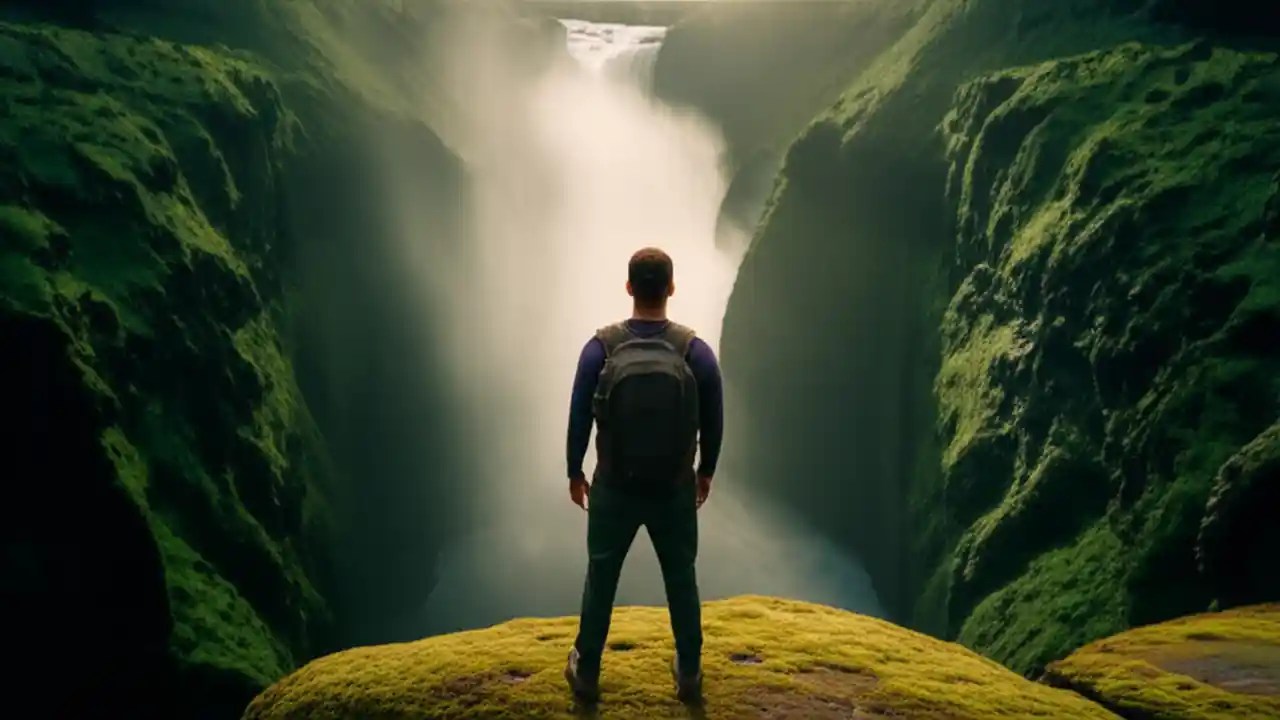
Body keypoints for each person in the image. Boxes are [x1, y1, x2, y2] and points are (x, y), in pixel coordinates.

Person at [562, 247, 724, 704]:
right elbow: (714, 417)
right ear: (671, 288)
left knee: (602, 575)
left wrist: (575, 471)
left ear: (629, 287)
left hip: (614, 486)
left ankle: (588, 669)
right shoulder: (697, 354)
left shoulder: (600, 349)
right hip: (674, 488)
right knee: (680, 577)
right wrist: (705, 471)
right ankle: (689, 671)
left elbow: (579, 416)